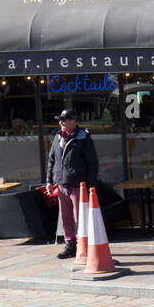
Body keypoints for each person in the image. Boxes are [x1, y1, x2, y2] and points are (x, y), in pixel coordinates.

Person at [45, 108, 98, 259]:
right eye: (60, 120)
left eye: (65, 119)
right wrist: (49, 180)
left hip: (78, 185)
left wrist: (90, 186)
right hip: (61, 184)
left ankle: (83, 246)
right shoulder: (57, 137)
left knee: (80, 218)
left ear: (74, 121)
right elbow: (51, 160)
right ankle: (70, 245)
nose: (61, 122)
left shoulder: (83, 138)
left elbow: (92, 163)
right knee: (66, 218)